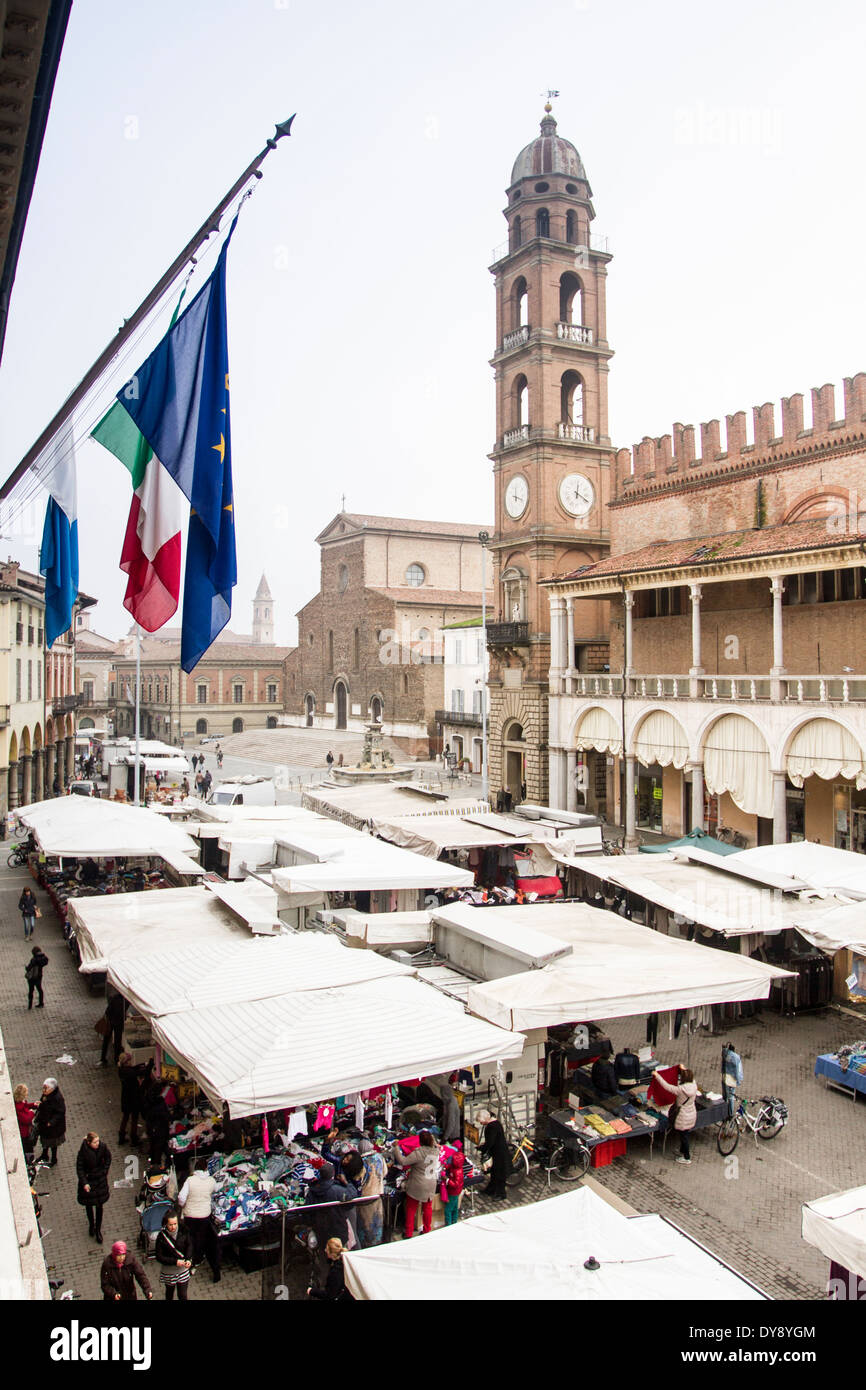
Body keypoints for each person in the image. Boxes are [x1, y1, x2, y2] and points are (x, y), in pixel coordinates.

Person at [177, 1160, 221, 1283]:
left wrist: (183, 1205)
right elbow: (217, 1188)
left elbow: (181, 1197)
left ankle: (191, 1261)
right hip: (204, 1216)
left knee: (190, 1239)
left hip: (190, 1215)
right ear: (206, 1168)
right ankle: (198, 1258)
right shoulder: (211, 1181)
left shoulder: (190, 1181)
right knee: (201, 1238)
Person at [395, 1129, 440, 1238]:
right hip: (431, 1183)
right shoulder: (436, 1150)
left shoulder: (419, 1153)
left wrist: (396, 1147)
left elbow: (403, 1161)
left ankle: (409, 1233)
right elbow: (433, 1142)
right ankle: (426, 1230)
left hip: (417, 1184)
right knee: (427, 1208)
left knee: (411, 1208)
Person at [652, 1065, 699, 1165]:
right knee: (685, 1133)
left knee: (684, 1136)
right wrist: (683, 1068)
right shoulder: (694, 1085)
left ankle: (687, 1157)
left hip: (682, 1115)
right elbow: (692, 1078)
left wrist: (657, 1076)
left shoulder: (680, 1089)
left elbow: (666, 1086)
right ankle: (682, 1151)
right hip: (691, 1113)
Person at [76, 1130, 112, 1243]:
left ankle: (98, 1229)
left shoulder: (103, 1147)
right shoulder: (83, 1152)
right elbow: (79, 1168)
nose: (97, 1143)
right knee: (89, 1204)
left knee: (99, 1205)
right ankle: (91, 1225)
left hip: (100, 1179)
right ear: (88, 1143)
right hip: (89, 1180)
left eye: (98, 1141)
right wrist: (84, 1182)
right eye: (95, 1142)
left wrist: (105, 1171)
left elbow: (108, 1158)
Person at [304, 1161, 352, 1244]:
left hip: (321, 1231)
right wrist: (347, 1183)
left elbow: (307, 1212)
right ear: (332, 1175)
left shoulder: (312, 1191)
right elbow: (351, 1199)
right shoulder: (338, 1190)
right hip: (338, 1230)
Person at [154, 1210, 193, 1301]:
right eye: (170, 1225)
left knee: (183, 1295)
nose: (173, 1227)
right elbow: (159, 1257)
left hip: (183, 1270)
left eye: (175, 1224)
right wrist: (175, 1261)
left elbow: (189, 1245)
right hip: (169, 1272)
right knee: (169, 1294)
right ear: (166, 1224)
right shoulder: (161, 1237)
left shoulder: (184, 1231)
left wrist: (188, 1259)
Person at [356, 1138, 386, 1248]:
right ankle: (377, 1244)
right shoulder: (379, 1157)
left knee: (365, 1225)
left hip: (365, 1198)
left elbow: (358, 1180)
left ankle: (366, 1246)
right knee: (377, 1223)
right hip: (377, 1195)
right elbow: (384, 1172)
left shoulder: (361, 1162)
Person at [476, 1110, 509, 1199]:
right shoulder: (496, 1123)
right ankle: (491, 1190)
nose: (481, 1123)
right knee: (495, 1172)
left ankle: (501, 1194)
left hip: (498, 1153)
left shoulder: (491, 1127)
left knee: (499, 1173)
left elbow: (490, 1142)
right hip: (499, 1151)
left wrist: (482, 1148)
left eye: (481, 1121)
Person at [117, 1053, 148, 1145]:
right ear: (127, 1062)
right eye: (130, 1060)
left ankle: (121, 1137)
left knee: (125, 1117)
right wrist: (149, 1065)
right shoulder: (130, 1072)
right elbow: (140, 1072)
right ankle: (133, 1138)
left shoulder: (122, 1070)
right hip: (133, 1098)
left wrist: (141, 1065)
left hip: (125, 1098)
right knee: (134, 1118)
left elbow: (134, 1069)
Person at [35, 1078, 66, 1166]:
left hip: (53, 1127)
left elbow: (60, 1112)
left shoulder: (57, 1098)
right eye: (43, 1088)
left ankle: (53, 1159)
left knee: (53, 1143)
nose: (44, 1090)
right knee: (45, 1140)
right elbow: (43, 1103)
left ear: (52, 1089)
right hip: (44, 1123)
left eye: (46, 1089)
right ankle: (44, 1155)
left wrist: (51, 1122)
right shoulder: (46, 1095)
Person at [142, 1080, 171, 1169]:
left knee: (153, 1144)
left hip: (151, 1127)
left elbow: (144, 1113)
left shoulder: (147, 1098)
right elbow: (166, 1116)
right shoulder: (160, 1103)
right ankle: (157, 1165)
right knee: (159, 1146)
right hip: (160, 1129)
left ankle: (152, 1161)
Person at [99, 989, 128, 1067]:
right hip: (118, 1023)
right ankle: (116, 1059)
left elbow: (107, 1011)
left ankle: (103, 1057)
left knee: (106, 1040)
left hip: (110, 1022)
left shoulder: (114, 998)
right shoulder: (126, 1002)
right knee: (117, 1042)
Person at [441, 1141, 466, 1226]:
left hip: (453, 1192)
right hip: (455, 1191)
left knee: (448, 1209)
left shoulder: (457, 1172)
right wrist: (445, 1166)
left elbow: (455, 1184)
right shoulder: (456, 1168)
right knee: (454, 1207)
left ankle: (449, 1225)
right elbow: (450, 1166)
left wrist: (447, 1180)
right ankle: (454, 1222)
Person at [14, 1083, 36, 1152]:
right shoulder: (18, 1108)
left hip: (26, 1131)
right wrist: (32, 1112)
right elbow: (26, 1119)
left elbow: (26, 1106)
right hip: (24, 1132)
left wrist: (33, 1105)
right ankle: (29, 1160)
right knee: (27, 1148)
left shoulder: (20, 1102)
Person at [25, 945, 48, 1009]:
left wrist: (26, 968)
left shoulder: (34, 959)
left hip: (32, 977)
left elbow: (29, 967)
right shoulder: (43, 958)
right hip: (39, 976)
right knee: (40, 989)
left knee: (31, 990)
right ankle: (41, 1003)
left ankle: (30, 1005)